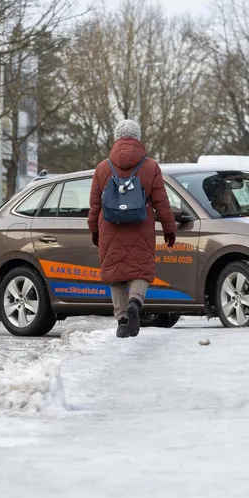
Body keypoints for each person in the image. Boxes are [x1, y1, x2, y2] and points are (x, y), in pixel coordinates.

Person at [88, 119, 177, 338]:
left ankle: (122, 321)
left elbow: (94, 205)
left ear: (117, 138)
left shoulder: (102, 168)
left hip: (110, 227)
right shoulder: (150, 167)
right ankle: (135, 302)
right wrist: (169, 228)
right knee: (141, 271)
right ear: (137, 138)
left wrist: (94, 230)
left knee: (115, 275)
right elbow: (162, 202)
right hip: (141, 227)